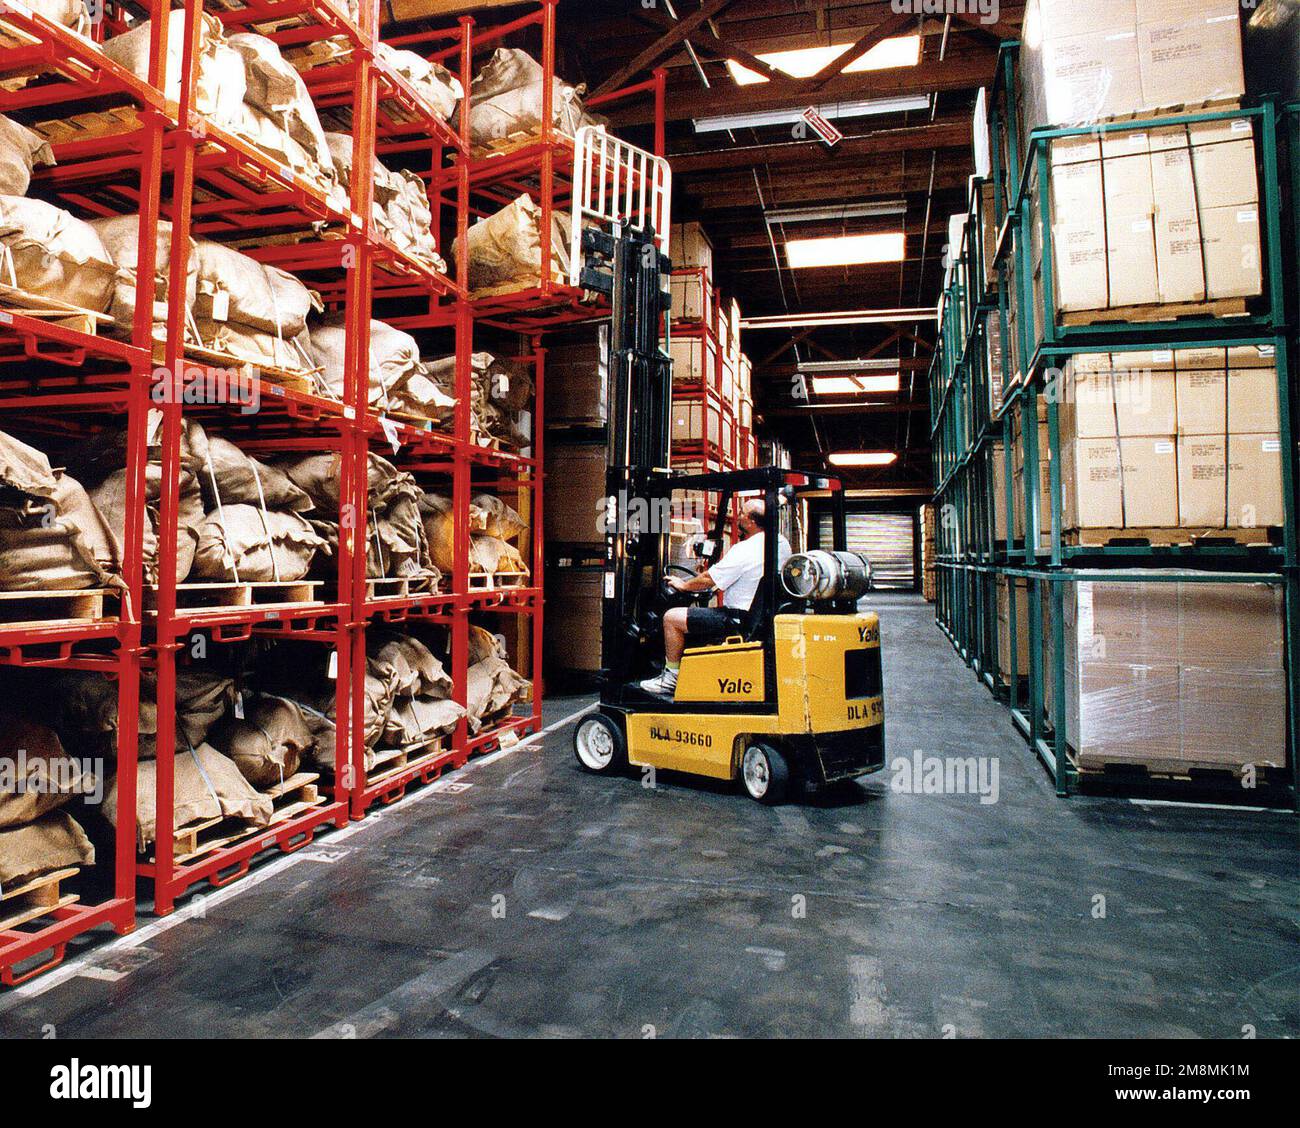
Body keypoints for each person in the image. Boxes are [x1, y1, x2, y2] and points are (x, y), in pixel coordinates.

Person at [639, 497, 791, 695]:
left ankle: (671, 678)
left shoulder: (746, 548)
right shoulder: (780, 543)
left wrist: (683, 585)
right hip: (760, 616)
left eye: (743, 514)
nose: (739, 517)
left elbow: (709, 578)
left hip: (737, 618)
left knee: (671, 618)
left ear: (752, 522)